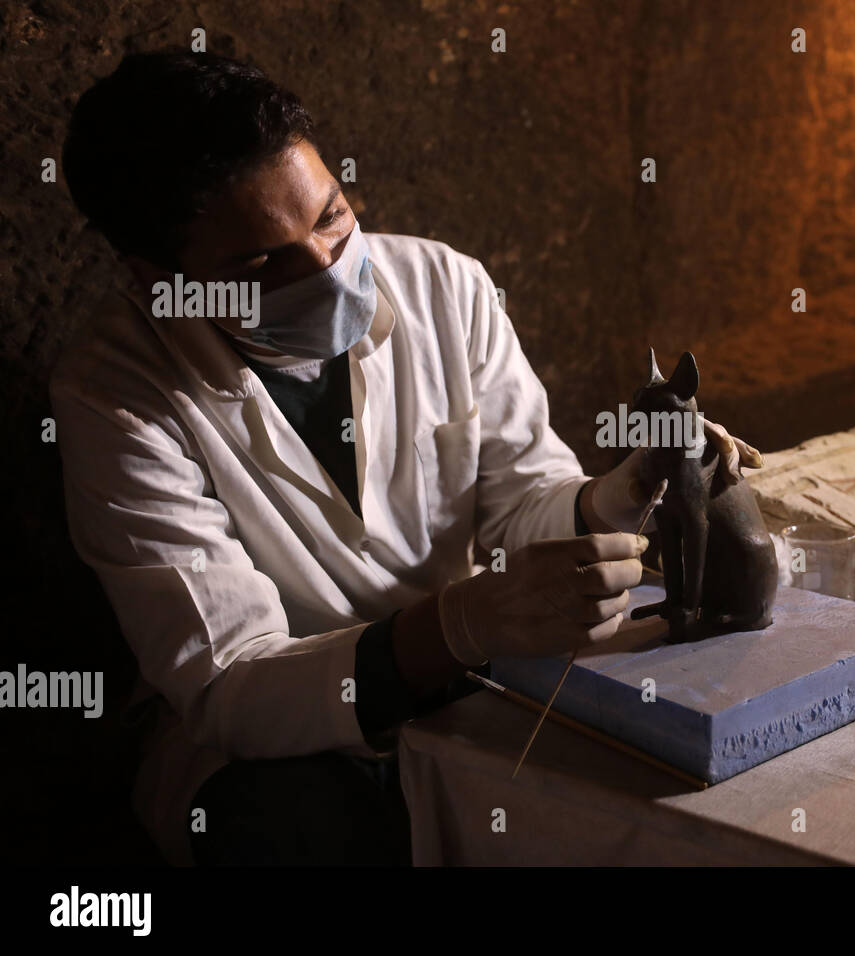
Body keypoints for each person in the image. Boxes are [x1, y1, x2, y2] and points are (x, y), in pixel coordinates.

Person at [53, 51, 760, 866]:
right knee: (304, 833)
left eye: (332, 217)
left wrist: (627, 490)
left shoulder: (444, 288)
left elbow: (520, 506)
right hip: (271, 741)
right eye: (259, 264)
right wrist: (457, 624)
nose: (323, 271)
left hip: (472, 679)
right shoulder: (115, 392)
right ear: (156, 280)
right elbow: (230, 687)